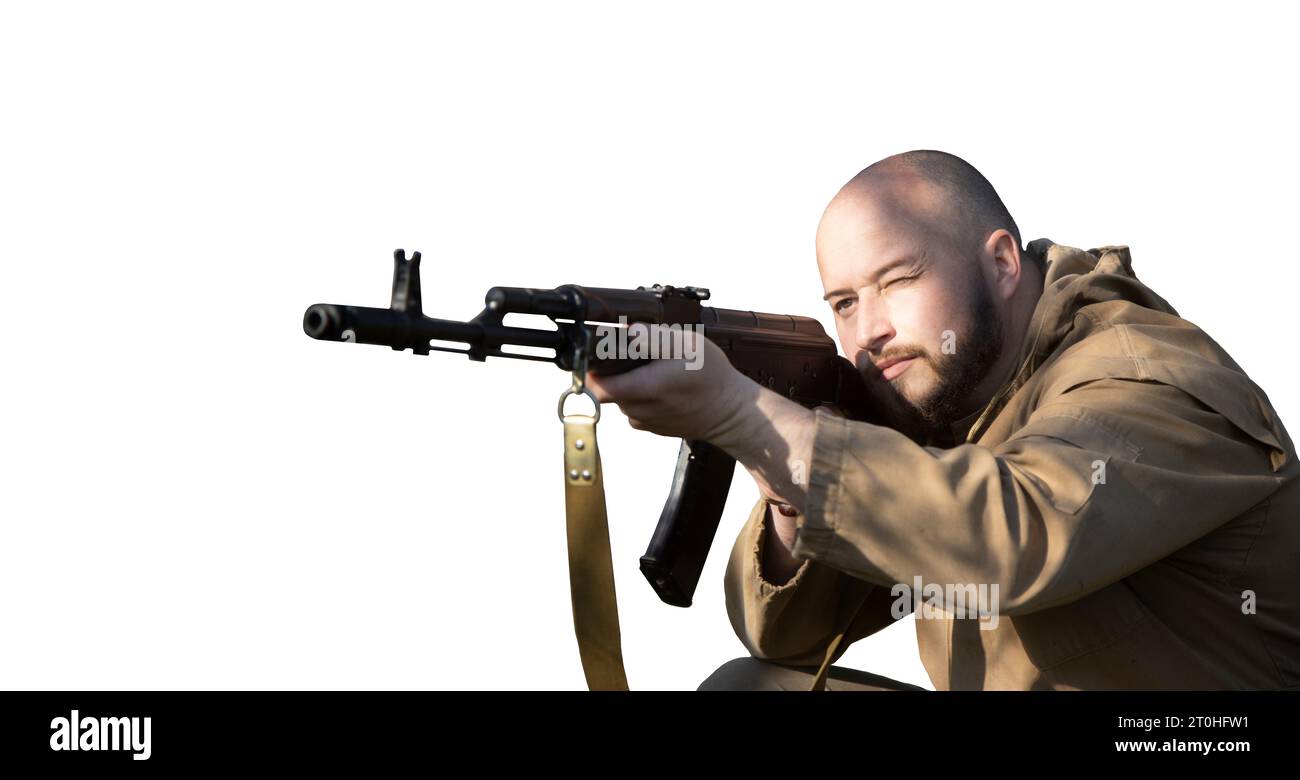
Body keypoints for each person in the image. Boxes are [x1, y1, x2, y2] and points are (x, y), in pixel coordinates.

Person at [585, 150, 1300, 690]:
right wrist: (785, 477)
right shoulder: (947, 405)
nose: (870, 331)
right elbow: (787, 640)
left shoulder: (1141, 375)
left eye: (897, 281)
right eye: (843, 303)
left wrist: (749, 416)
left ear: (1001, 264)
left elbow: (1013, 533)